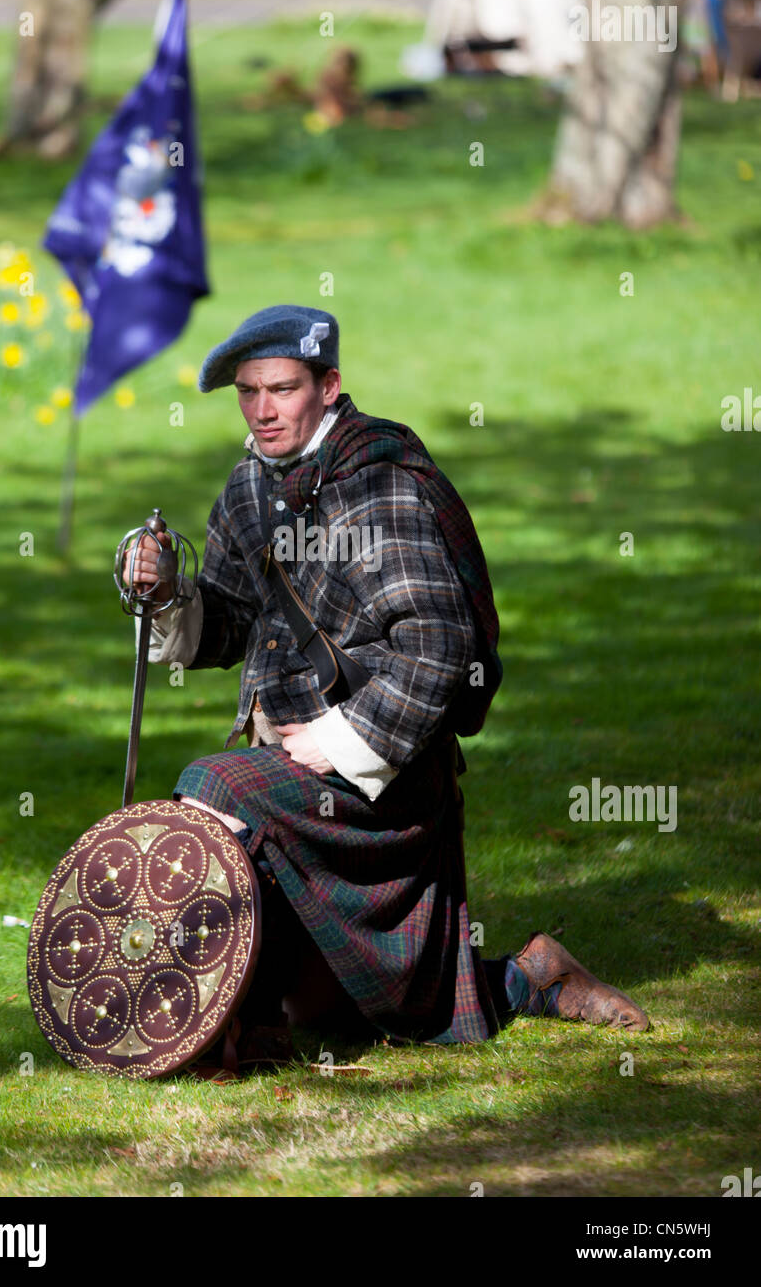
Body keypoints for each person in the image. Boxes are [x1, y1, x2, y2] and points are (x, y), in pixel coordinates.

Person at [126, 304, 649, 1063]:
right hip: (298, 780)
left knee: (213, 785)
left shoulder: (381, 489)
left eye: (282, 388)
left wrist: (337, 741)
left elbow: (441, 650)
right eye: (247, 391)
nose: (263, 410)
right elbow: (229, 625)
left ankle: (199, 1019)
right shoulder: (249, 488)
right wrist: (170, 589)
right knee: (334, 1015)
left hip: (390, 781)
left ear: (329, 385)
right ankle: (526, 978)